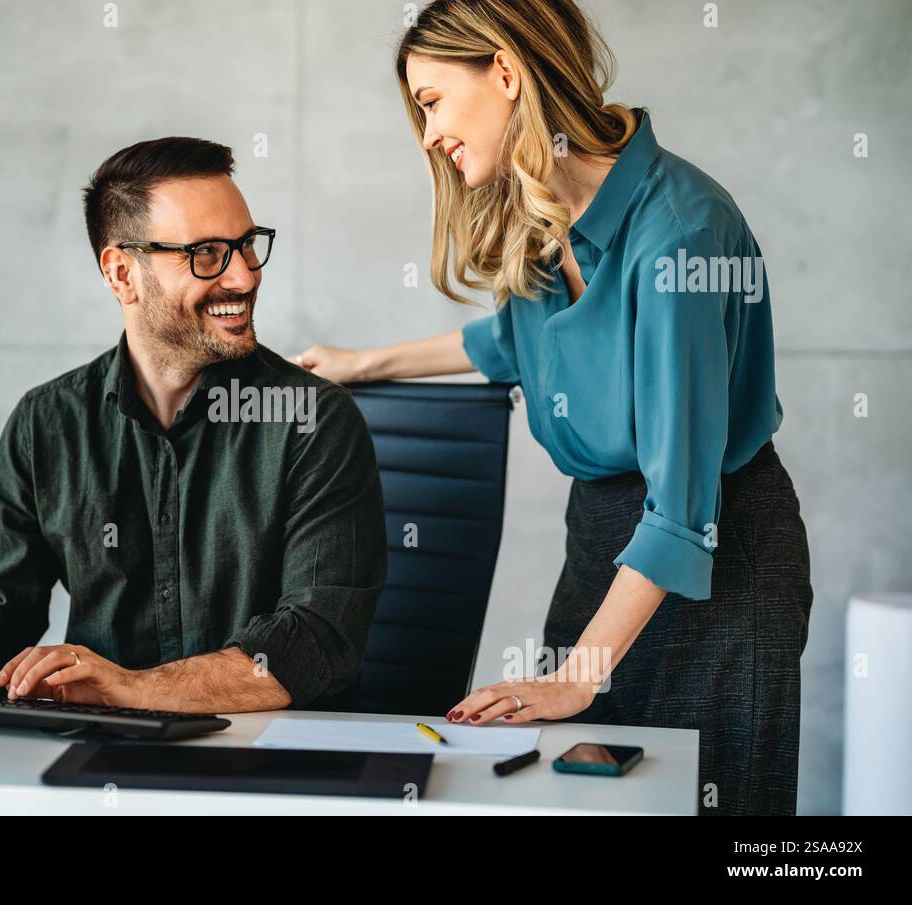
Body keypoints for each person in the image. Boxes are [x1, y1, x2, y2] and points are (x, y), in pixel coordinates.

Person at [295, 0, 812, 814]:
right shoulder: (545, 216)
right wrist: (362, 364)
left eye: (431, 102)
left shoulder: (681, 234)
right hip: (601, 549)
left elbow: (680, 510)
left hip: (718, 558)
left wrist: (577, 677)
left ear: (505, 70)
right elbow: (510, 342)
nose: (427, 135)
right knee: (577, 796)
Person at [0, 136, 386, 714]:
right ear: (121, 274)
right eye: (208, 254)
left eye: (247, 245)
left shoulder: (314, 421)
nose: (243, 278)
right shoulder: (47, 422)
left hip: (275, 763)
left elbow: (316, 641)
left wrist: (136, 688)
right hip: (95, 756)